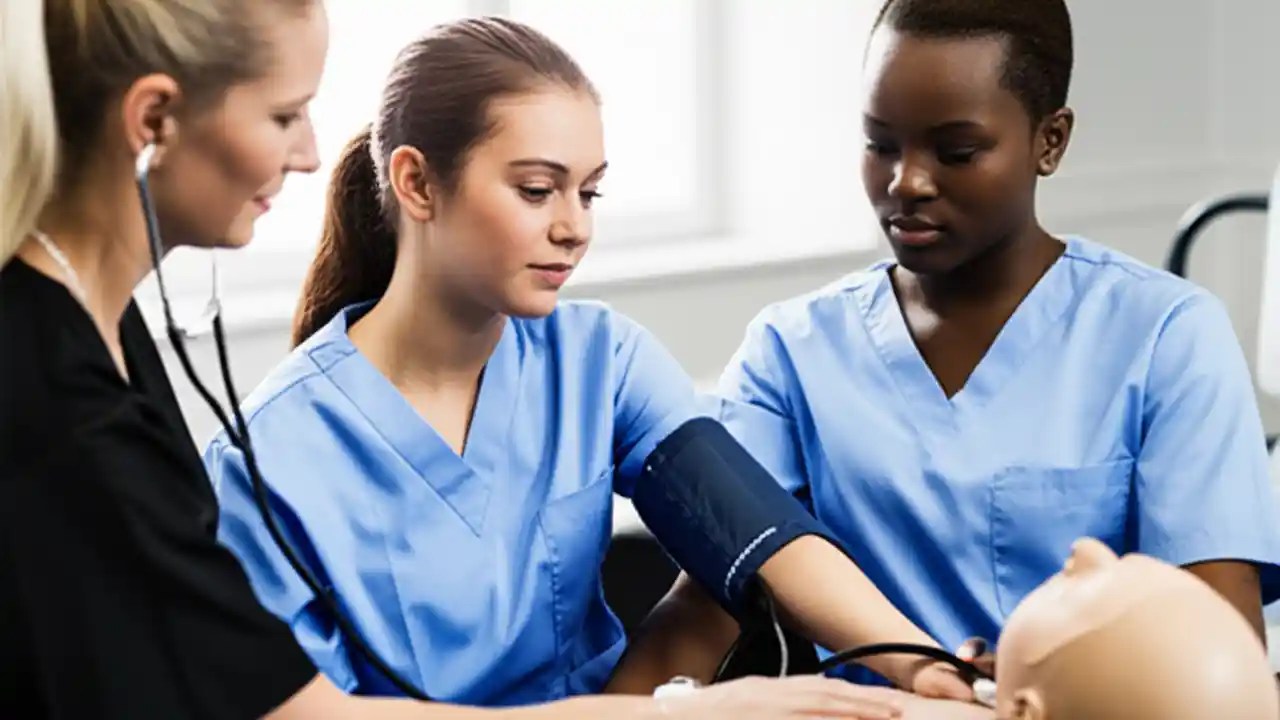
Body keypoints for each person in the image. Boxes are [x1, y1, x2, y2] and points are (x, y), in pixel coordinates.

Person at [0, 1, 916, 718]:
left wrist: (924, 667)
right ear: (413, 182)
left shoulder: (597, 359)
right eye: (534, 188)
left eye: (590, 192)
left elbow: (757, 532)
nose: (574, 227)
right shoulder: (264, 454)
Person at [692, 0, 1280, 685]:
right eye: (880, 143)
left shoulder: (1166, 335)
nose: (904, 182)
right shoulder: (789, 350)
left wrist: (1054, 679)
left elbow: (1220, 650)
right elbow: (706, 602)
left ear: (1049, 140)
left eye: (956, 151)